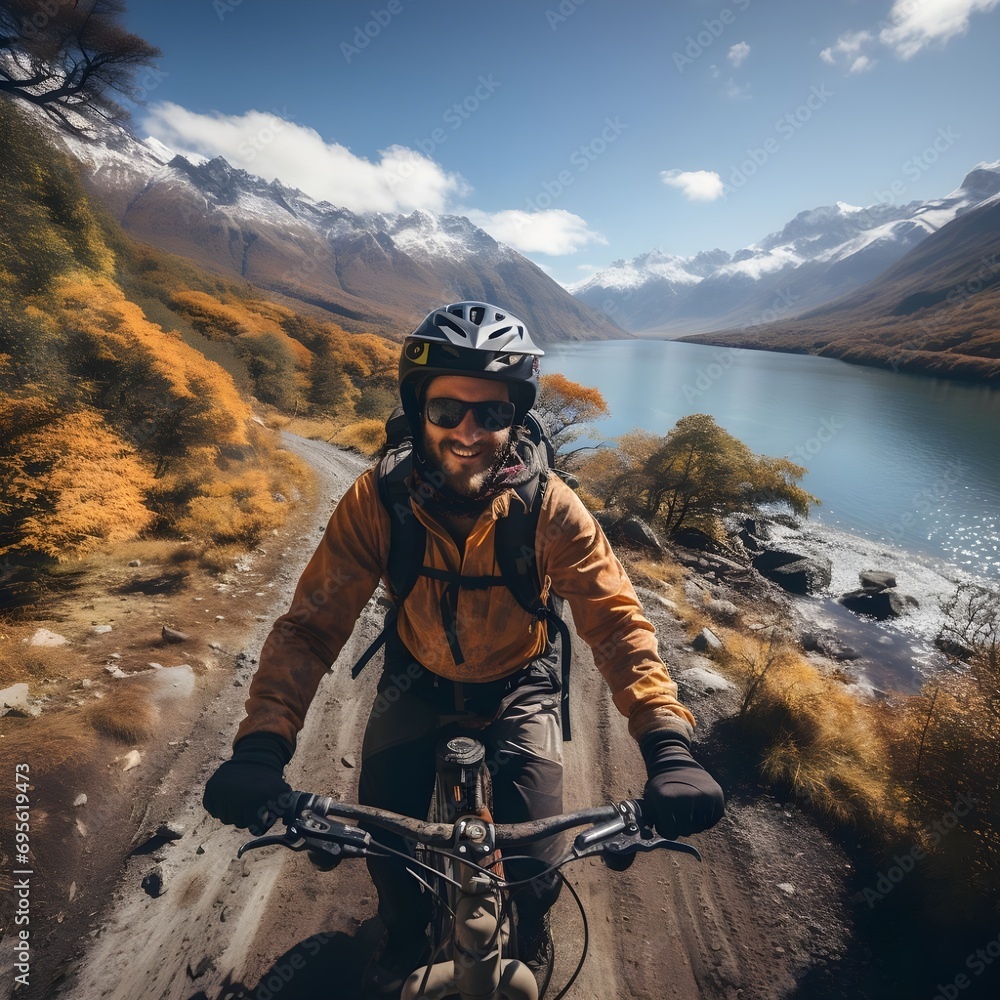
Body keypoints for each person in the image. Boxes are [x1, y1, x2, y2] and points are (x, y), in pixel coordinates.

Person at [203, 301, 725, 995]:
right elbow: (310, 626)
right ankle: (401, 931)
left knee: (540, 859)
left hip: (520, 686)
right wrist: (261, 747)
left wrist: (667, 746)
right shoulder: (378, 500)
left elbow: (616, 621)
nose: (468, 432)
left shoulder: (550, 507)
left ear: (517, 417)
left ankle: (532, 933)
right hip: (413, 680)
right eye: (447, 410)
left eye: (491, 413)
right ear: (419, 411)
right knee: (389, 855)